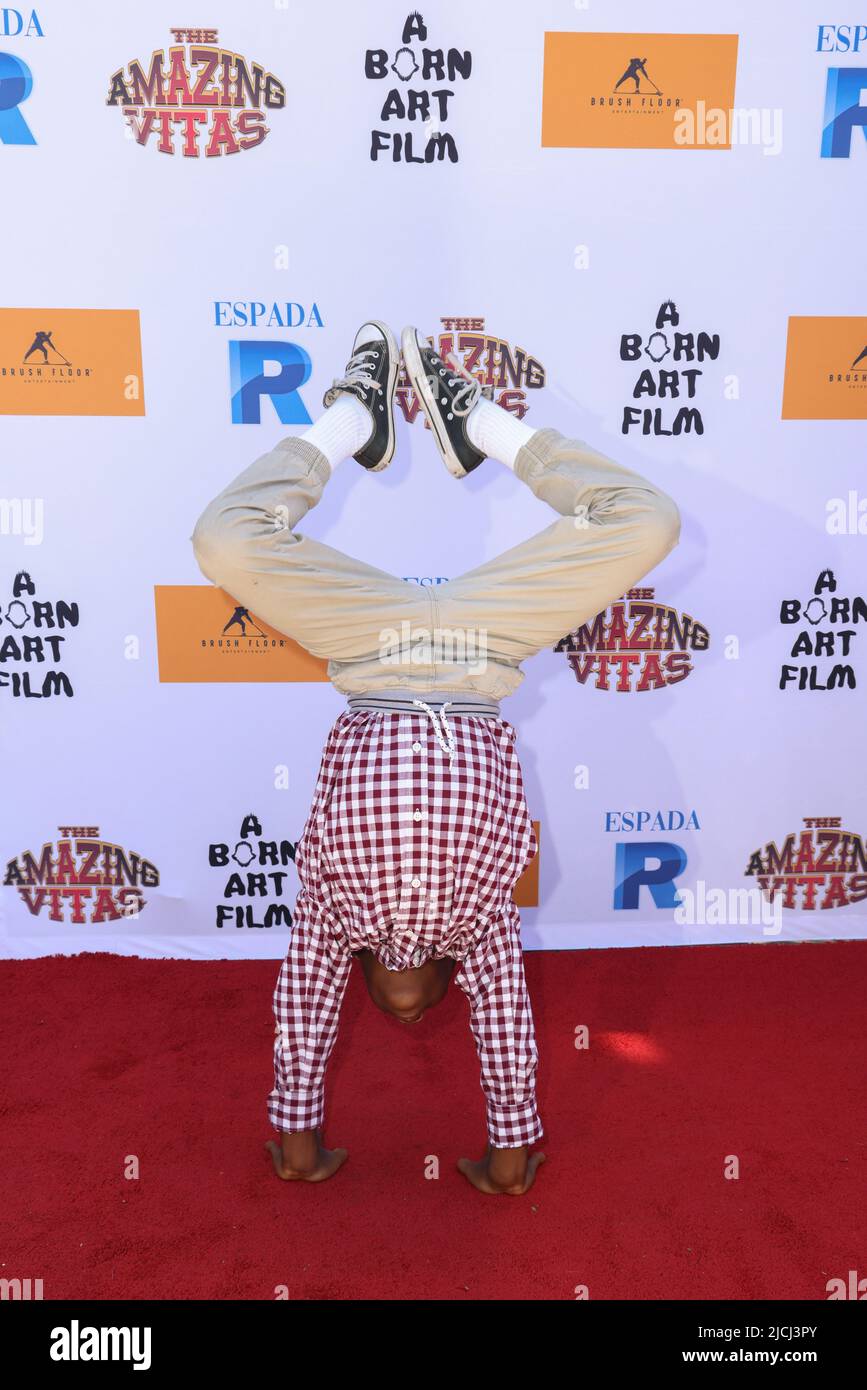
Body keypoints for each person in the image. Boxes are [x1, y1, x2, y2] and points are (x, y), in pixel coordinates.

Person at [190, 321, 681, 1195]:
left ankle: (351, 417)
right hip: (476, 655)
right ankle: (477, 420)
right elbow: (508, 1031)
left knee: (223, 538)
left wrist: (299, 1150)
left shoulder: (331, 921)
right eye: (418, 1002)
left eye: (389, 1001)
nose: (404, 1000)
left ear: (366, 991)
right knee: (647, 520)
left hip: (372, 654)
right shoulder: (481, 926)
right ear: (449, 982)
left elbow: (299, 1019)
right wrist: (507, 1159)